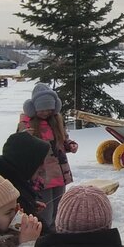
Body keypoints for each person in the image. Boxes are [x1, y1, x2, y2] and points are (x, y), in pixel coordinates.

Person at [19, 83, 78, 231]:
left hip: (59, 174)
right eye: (42, 109)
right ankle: (45, 237)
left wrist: (69, 145)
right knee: (46, 212)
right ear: (33, 109)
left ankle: (56, 234)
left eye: (49, 109)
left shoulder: (56, 121)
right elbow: (20, 146)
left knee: (58, 210)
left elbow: (62, 140)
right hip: (42, 177)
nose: (46, 112)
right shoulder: (27, 125)